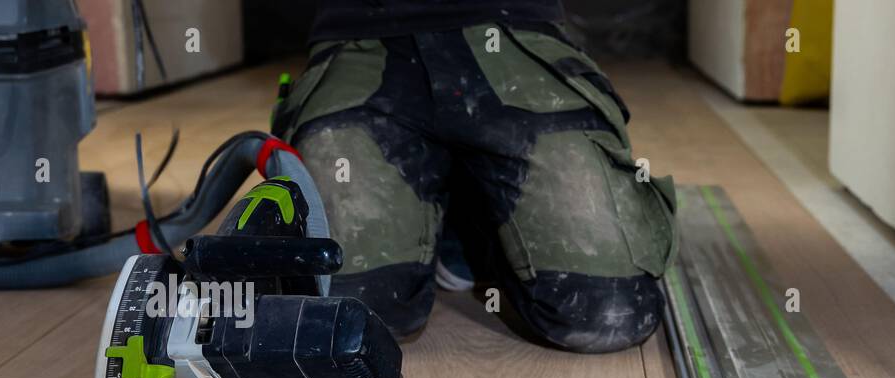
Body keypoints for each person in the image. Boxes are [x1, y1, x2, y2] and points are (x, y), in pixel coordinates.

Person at [271, 0, 677, 353]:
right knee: (344, 318)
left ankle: (475, 213)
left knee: (606, 314)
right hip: (361, 35)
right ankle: (444, 199)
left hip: (514, 31)